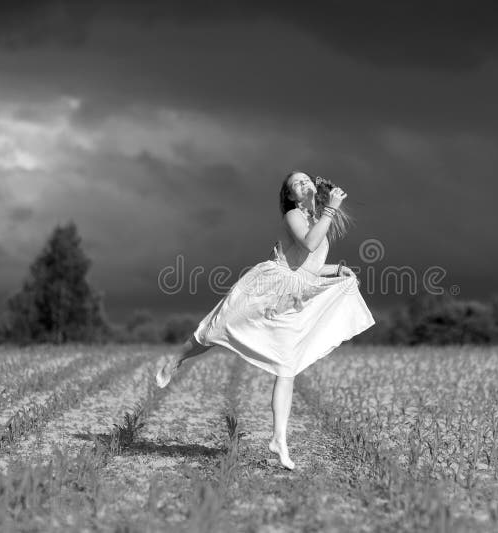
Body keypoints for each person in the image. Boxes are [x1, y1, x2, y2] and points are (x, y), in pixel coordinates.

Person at [154, 171, 375, 470]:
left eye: (306, 180)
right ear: (291, 197)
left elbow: (308, 266)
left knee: (287, 366)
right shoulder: (294, 217)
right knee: (216, 329)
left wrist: (337, 269)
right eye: (297, 184)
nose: (304, 184)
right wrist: (331, 209)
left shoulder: (319, 218)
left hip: (292, 296)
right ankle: (176, 360)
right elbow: (309, 244)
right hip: (265, 288)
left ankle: (279, 439)